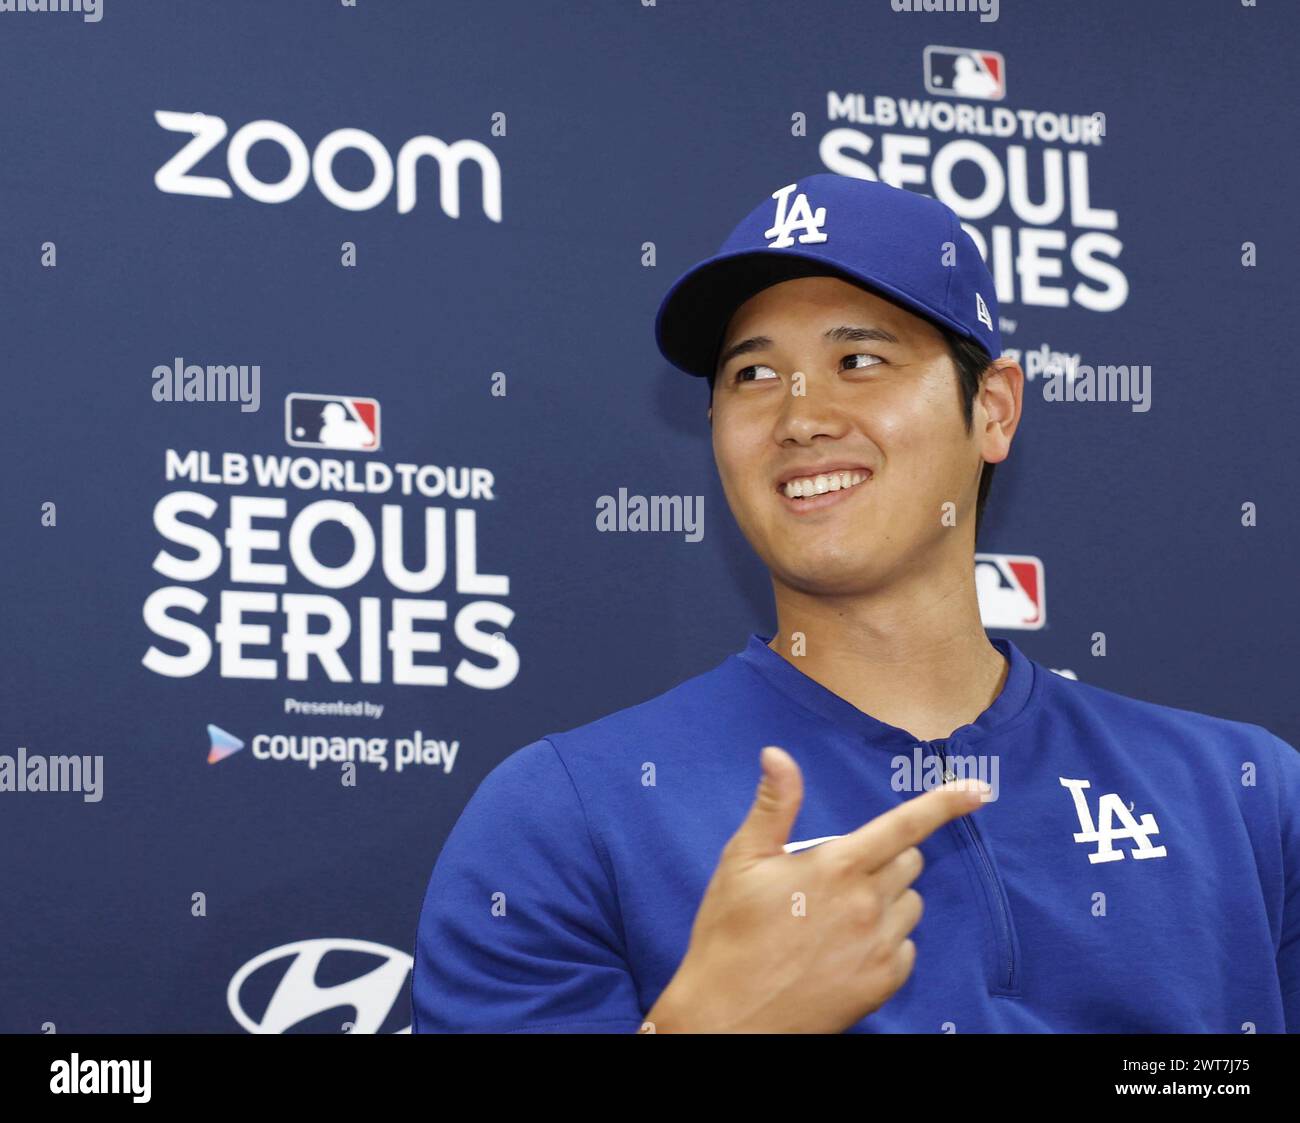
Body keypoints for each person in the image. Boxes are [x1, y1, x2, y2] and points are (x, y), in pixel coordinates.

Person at [411, 173, 1300, 1034]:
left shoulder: (1243, 795)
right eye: (753, 376)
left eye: (860, 359)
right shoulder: (565, 813)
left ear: (993, 408)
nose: (802, 416)